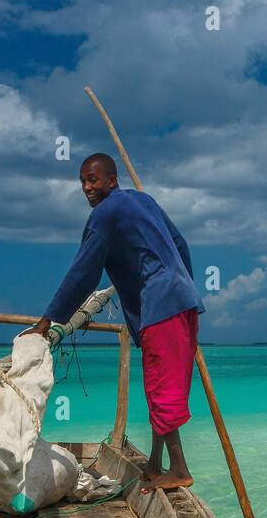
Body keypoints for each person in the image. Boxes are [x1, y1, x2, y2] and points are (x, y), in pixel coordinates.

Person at [25, 153, 205, 492]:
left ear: (112, 179)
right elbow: (180, 243)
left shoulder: (103, 215)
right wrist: (185, 289)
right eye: (82, 182)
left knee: (161, 389)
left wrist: (47, 320)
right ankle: (155, 463)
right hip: (181, 303)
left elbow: (83, 274)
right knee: (158, 384)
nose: (87, 188)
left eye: (93, 180)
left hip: (162, 306)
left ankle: (179, 468)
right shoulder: (142, 201)